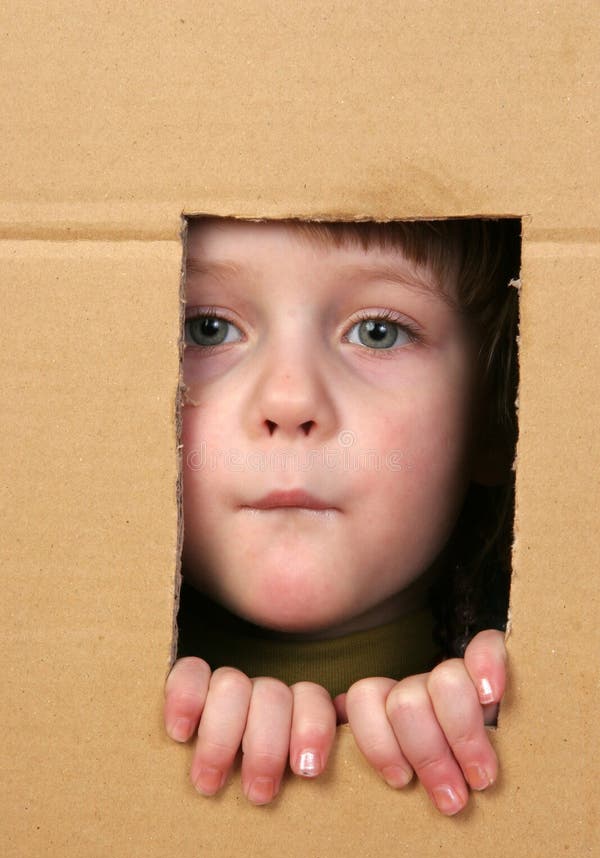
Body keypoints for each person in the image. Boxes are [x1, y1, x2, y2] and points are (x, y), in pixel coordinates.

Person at [163, 216, 519, 815]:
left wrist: (488, 716)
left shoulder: (508, 689)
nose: (290, 399)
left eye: (378, 332)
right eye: (208, 328)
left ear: (493, 415)